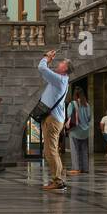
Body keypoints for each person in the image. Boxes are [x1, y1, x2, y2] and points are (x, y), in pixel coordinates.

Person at [37, 49, 71, 192]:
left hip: (53, 119)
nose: (59, 63)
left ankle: (57, 180)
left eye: (62, 63)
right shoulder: (59, 79)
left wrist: (46, 57)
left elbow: (41, 68)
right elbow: (45, 72)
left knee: (50, 150)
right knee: (50, 150)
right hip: (52, 117)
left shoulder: (60, 79)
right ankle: (58, 178)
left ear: (65, 69)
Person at [66, 89, 93, 175]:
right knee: (84, 150)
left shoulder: (72, 104)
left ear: (75, 95)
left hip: (75, 131)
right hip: (85, 131)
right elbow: (89, 117)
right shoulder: (87, 105)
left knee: (75, 150)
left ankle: (76, 168)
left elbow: (69, 115)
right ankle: (85, 168)